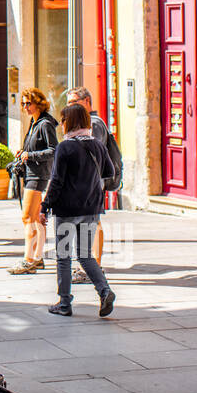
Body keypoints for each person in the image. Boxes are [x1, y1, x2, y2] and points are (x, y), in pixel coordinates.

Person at [39, 103, 116, 317]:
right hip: (91, 207)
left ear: (69, 122)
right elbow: (109, 171)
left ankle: (64, 303)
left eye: (63, 120)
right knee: (84, 255)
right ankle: (104, 290)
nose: (61, 124)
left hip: (67, 209)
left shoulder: (66, 147)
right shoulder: (97, 145)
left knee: (63, 255)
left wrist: (45, 205)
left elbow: (56, 181)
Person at [65, 86, 120, 284]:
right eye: (69, 103)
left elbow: (92, 155)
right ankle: (88, 266)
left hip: (92, 182)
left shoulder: (94, 123)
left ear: (87, 102)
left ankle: (93, 267)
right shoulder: (81, 124)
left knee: (93, 223)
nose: (70, 106)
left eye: (74, 102)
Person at [9, 88, 58, 275]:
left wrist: (30, 155)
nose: (25, 107)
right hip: (32, 172)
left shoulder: (45, 124)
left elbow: (54, 150)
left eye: (28, 103)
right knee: (37, 218)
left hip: (38, 174)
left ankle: (28, 259)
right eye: (23, 103)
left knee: (27, 216)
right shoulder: (34, 122)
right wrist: (23, 154)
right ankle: (37, 258)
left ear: (39, 103)